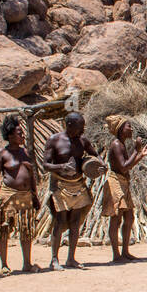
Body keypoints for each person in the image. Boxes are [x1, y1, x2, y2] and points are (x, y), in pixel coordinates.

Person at [42, 112, 98, 270]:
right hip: (60, 185)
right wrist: (61, 167)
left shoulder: (83, 141)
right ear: (70, 125)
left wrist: (97, 165)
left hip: (78, 184)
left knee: (75, 222)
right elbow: (45, 165)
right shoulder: (55, 140)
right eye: (80, 126)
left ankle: (71, 258)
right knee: (59, 221)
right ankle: (54, 259)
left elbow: (95, 155)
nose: (83, 130)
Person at [0, 114, 40, 275]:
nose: (23, 136)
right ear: (10, 135)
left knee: (26, 229)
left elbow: (32, 175)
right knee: (4, 229)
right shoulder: (2, 153)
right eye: (19, 133)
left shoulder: (26, 152)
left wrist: (35, 195)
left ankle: (27, 263)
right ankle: (4, 264)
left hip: (26, 196)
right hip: (8, 195)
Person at [101, 114, 147, 262]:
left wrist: (141, 154)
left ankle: (125, 252)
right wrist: (137, 151)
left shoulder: (121, 144)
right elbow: (124, 167)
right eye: (128, 126)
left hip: (123, 182)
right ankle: (116, 255)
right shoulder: (116, 145)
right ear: (121, 129)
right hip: (116, 182)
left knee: (129, 217)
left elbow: (127, 165)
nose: (131, 129)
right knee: (116, 219)